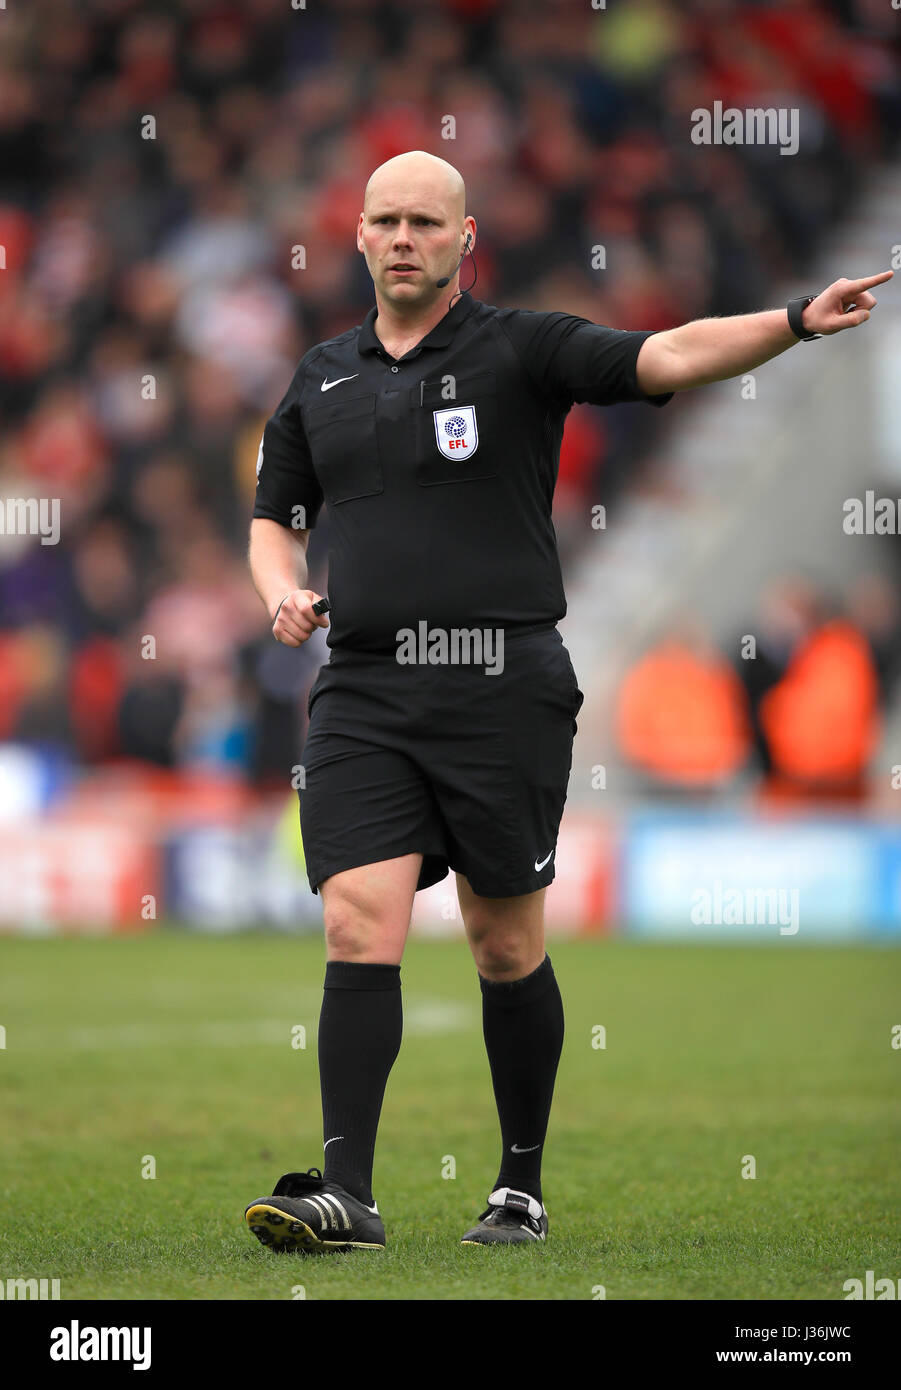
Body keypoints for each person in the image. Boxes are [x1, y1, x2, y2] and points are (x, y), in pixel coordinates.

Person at [245, 149, 891, 1252]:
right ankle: (346, 1195)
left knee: (503, 943)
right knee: (358, 917)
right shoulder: (320, 376)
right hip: (362, 682)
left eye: (424, 222)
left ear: (464, 238)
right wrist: (280, 593)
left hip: (502, 684)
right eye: (385, 221)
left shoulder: (521, 348)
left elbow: (669, 353)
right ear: (357, 235)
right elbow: (273, 514)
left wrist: (791, 319)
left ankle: (518, 1185)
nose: (403, 238)